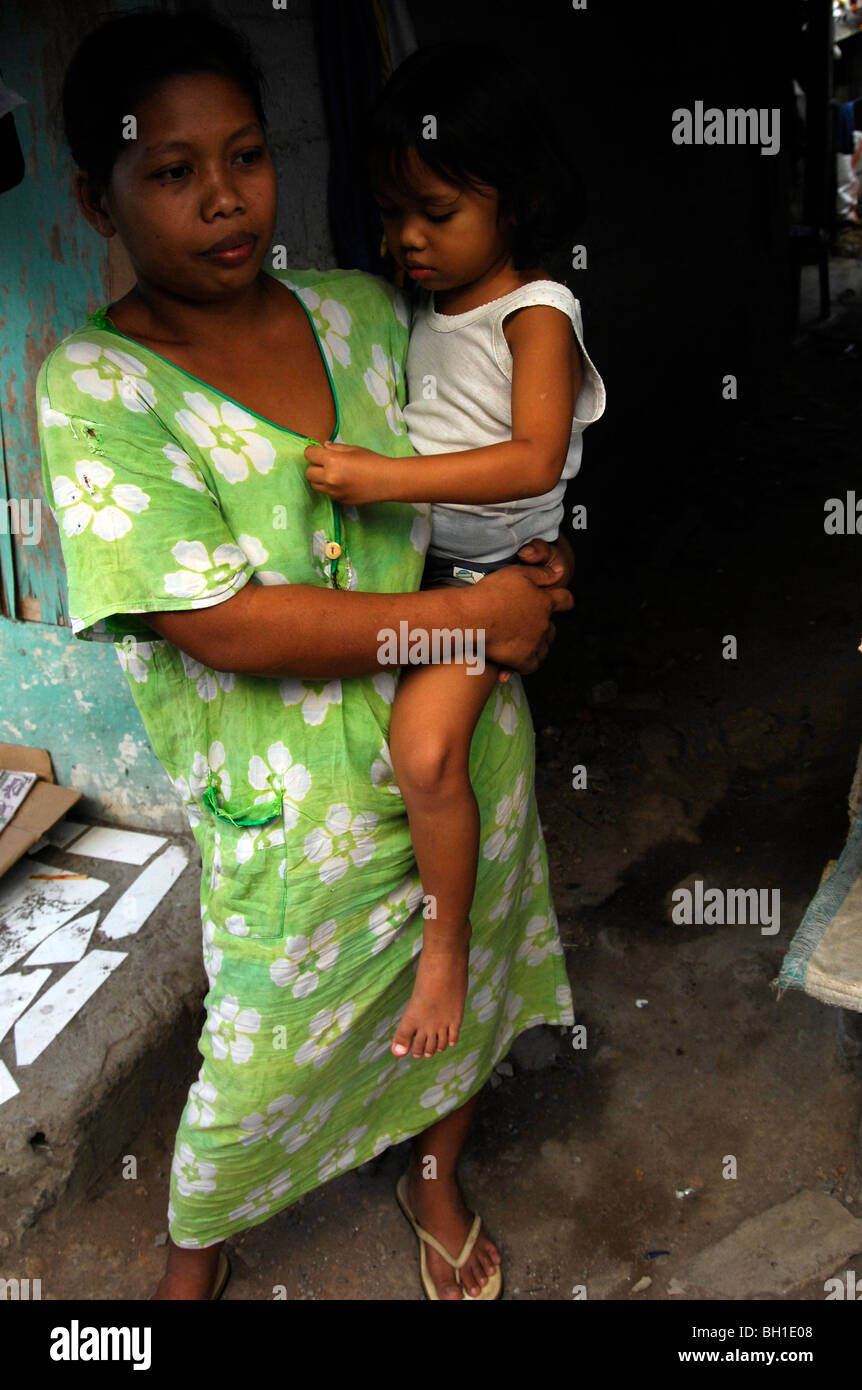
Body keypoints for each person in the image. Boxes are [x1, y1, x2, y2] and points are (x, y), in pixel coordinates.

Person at [37, 10, 575, 1302]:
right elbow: (223, 620)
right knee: (262, 1053)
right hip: (295, 818)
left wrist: (540, 562)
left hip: (460, 746)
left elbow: (503, 414)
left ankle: (434, 1172)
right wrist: (475, 617)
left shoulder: (358, 311)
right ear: (95, 199)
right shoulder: (96, 387)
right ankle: (196, 1248)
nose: (223, 200)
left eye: (245, 155)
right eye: (170, 172)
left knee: (474, 965)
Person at [305, 42, 605, 1064]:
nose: (407, 239)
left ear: (513, 201)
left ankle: (447, 949)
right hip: (432, 570)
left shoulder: (536, 315)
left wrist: (382, 481)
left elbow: (529, 457)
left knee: (424, 752)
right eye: (393, 214)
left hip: (487, 577)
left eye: (435, 213)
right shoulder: (418, 310)